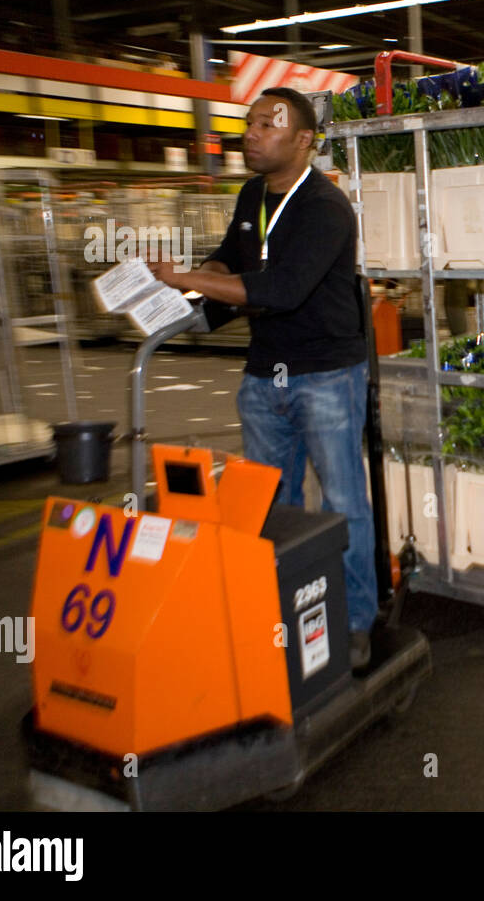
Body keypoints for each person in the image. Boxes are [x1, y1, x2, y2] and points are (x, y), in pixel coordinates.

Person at [148, 86, 377, 673]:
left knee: (344, 500)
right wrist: (189, 290)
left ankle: (355, 623)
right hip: (263, 376)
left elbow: (281, 289)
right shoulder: (252, 194)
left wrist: (186, 279)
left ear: (304, 141)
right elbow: (233, 258)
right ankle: (284, 613)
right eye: (248, 124)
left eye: (267, 126)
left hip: (326, 373)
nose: (251, 133)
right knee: (271, 501)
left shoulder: (326, 207)